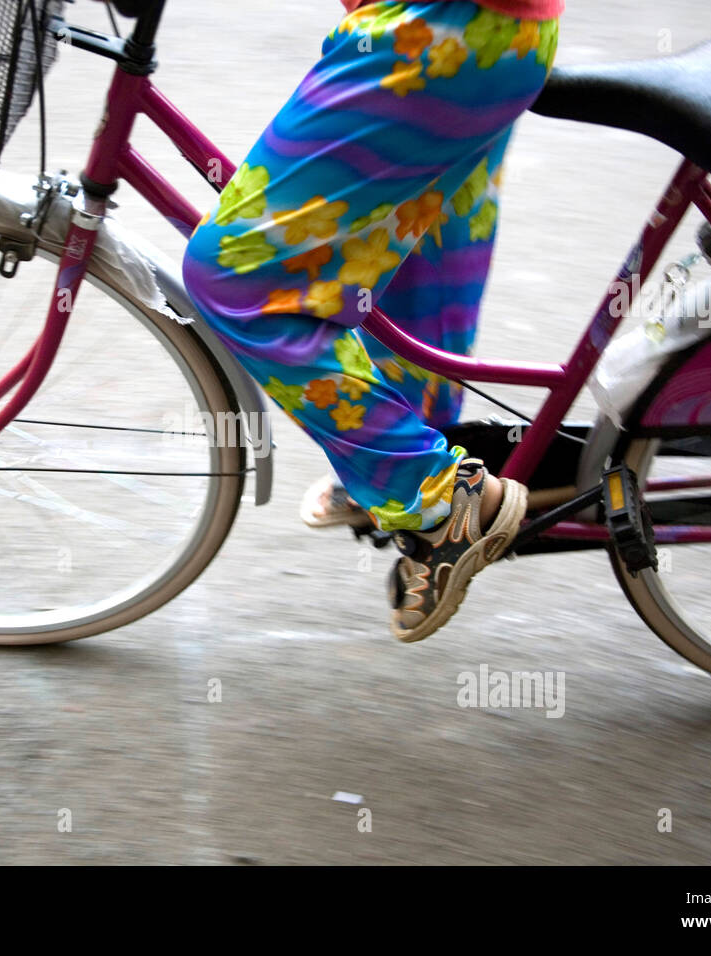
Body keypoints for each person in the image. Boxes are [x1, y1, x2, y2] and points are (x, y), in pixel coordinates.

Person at [182, 1, 563, 642]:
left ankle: (437, 498)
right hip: (493, 37)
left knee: (233, 277)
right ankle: (411, 453)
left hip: (436, 35)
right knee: (418, 262)